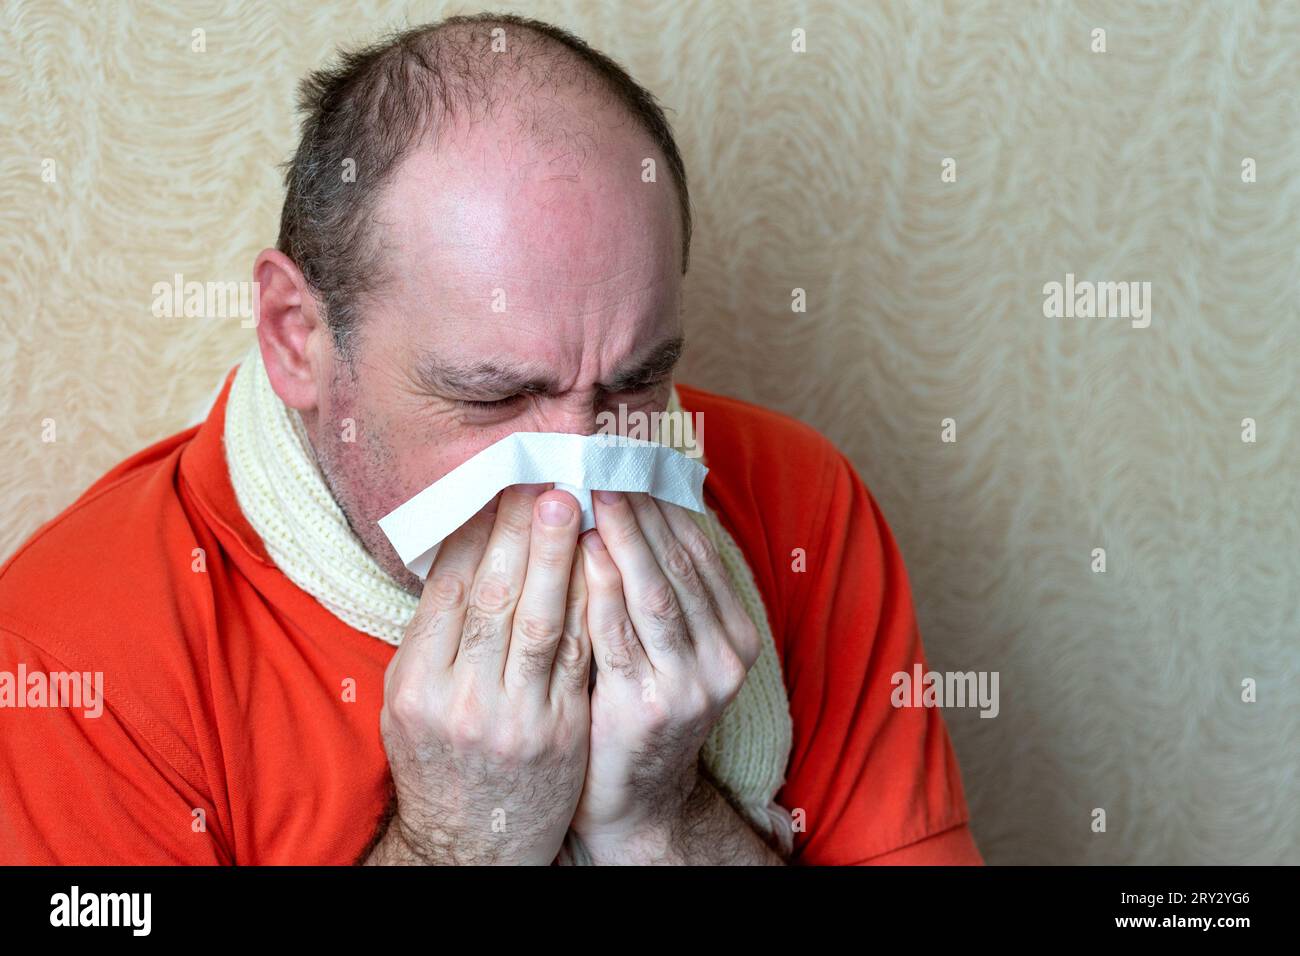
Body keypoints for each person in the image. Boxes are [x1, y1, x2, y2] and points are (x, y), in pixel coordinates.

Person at [0, 13, 981, 865]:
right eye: (493, 395)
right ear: (298, 338)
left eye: (635, 378)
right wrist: (456, 839)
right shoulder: (73, 661)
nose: (577, 480)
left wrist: (664, 815)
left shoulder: (801, 504)